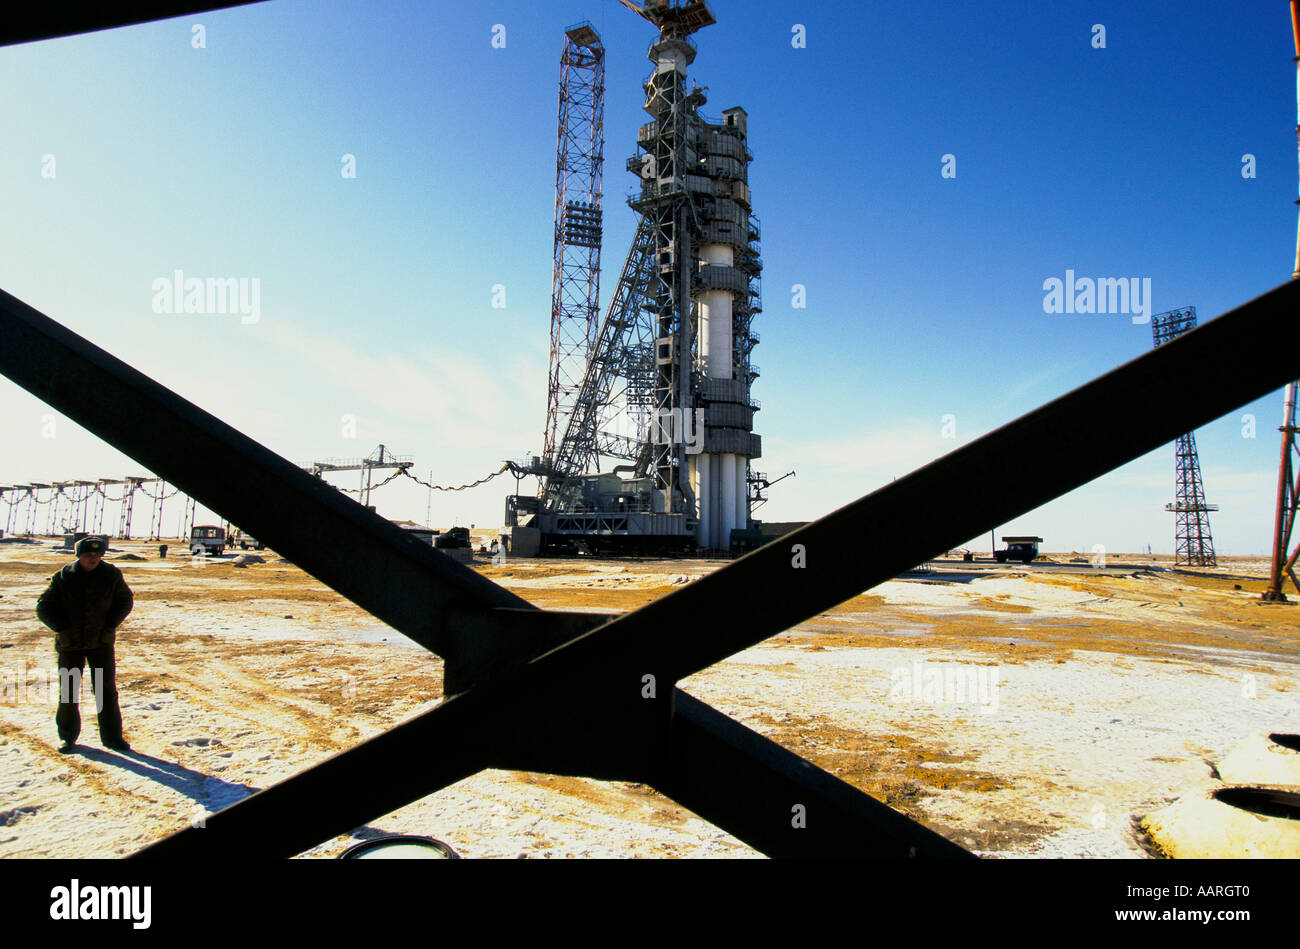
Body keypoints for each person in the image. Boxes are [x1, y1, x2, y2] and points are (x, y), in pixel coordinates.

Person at [35, 535, 134, 754]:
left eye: (97, 555)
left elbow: (125, 600)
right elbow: (43, 606)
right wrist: (61, 628)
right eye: (88, 555)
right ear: (79, 555)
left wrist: (110, 624)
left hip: (101, 644)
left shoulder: (111, 574)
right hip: (71, 645)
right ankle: (67, 737)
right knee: (69, 691)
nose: (93, 559)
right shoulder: (64, 576)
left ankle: (112, 738)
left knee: (105, 690)